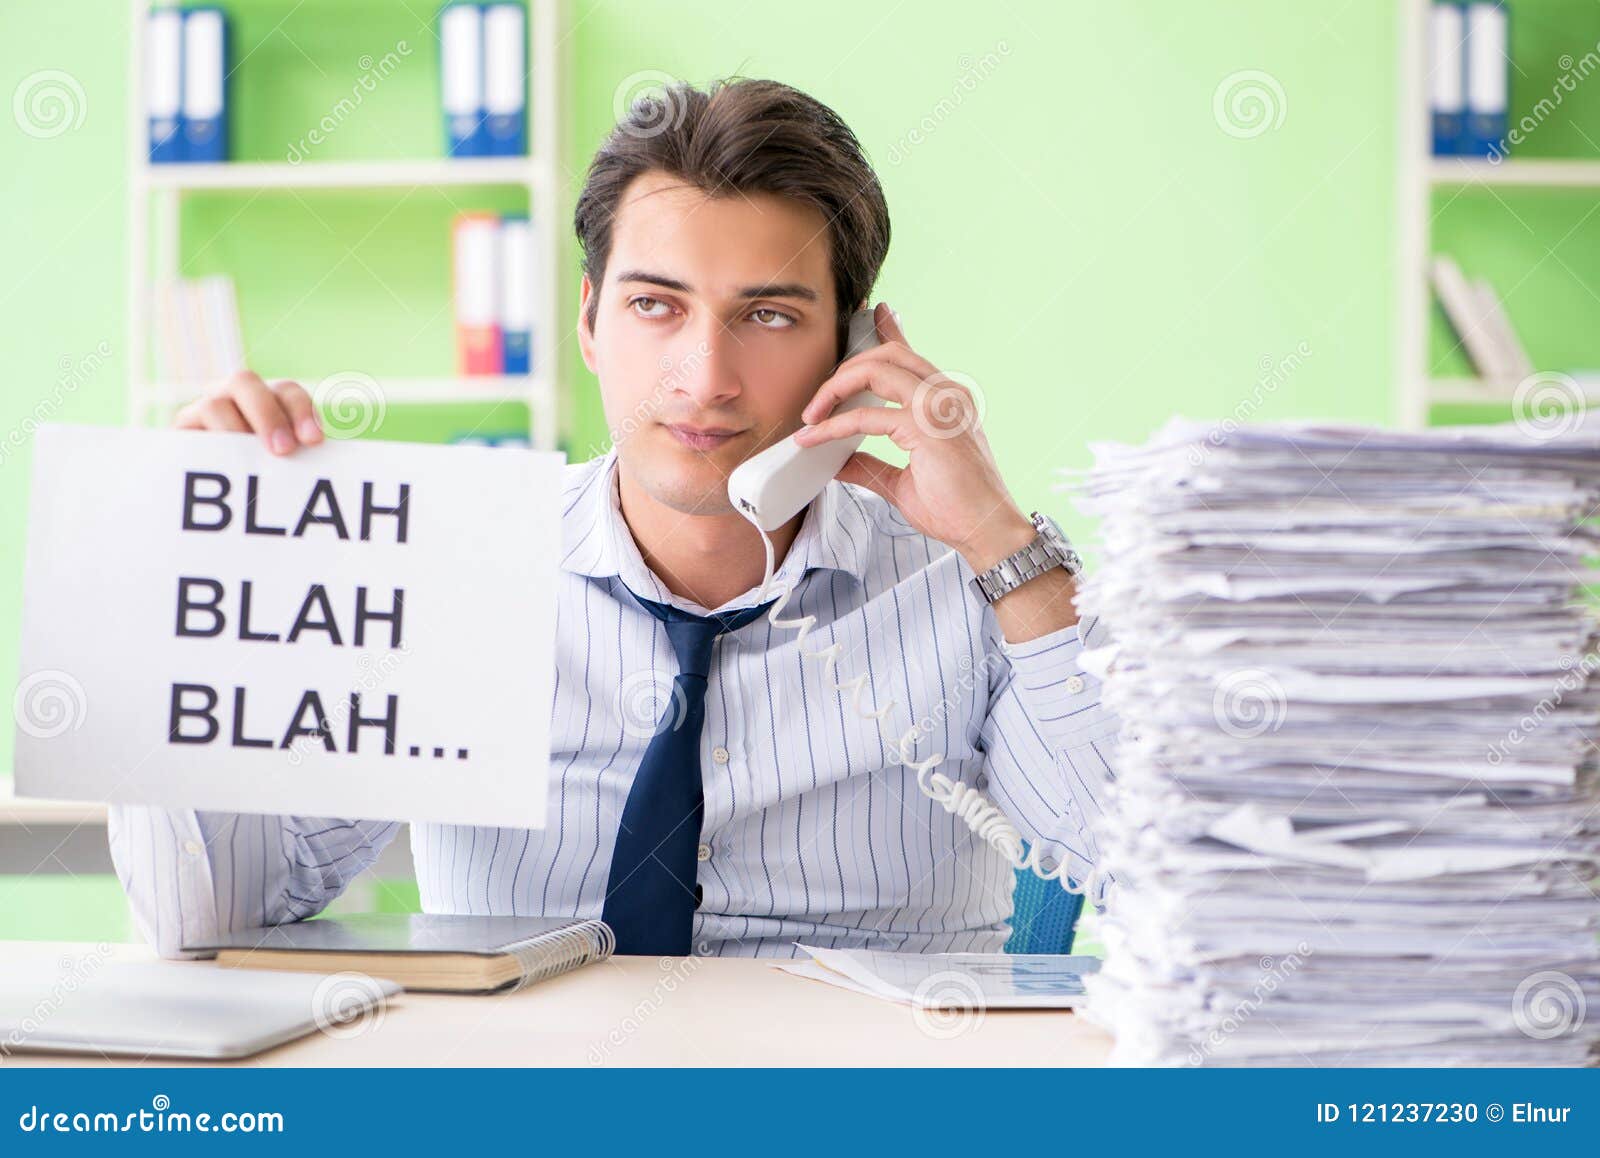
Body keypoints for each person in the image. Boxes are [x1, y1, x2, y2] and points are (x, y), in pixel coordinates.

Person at [109, 78, 1117, 959]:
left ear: (852, 347)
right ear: (589, 323)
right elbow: (206, 918)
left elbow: (1144, 877)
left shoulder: (980, 583)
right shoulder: (450, 570)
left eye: (768, 315)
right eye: (655, 306)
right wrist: (207, 591)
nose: (705, 379)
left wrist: (1001, 543)